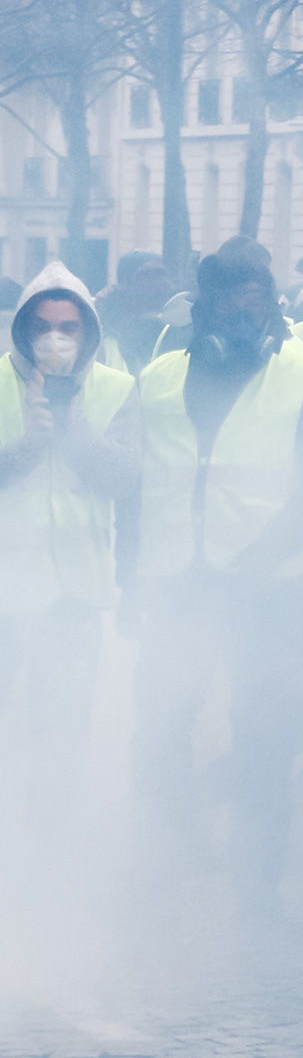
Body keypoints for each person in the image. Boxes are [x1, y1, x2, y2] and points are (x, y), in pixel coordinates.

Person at [133, 237, 303, 920]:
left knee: (264, 736)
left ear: (273, 301)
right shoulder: (159, 377)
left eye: (256, 296)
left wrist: (263, 557)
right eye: (228, 298)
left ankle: (259, 883)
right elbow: (142, 485)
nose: (242, 310)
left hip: (273, 587)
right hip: (177, 579)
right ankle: (167, 858)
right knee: (161, 727)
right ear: (205, 305)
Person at [0, 266, 138, 832]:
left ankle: (49, 844)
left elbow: (129, 480)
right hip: (7, 595)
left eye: (70, 328)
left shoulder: (113, 389)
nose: (56, 339)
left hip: (76, 596)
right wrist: (27, 448)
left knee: (63, 731)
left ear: (89, 334)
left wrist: (76, 429)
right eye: (43, 326)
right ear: (22, 330)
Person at [97, 251, 177, 373]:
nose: (156, 282)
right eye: (145, 275)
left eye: (160, 274)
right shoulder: (106, 331)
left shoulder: (179, 327)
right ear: (124, 283)